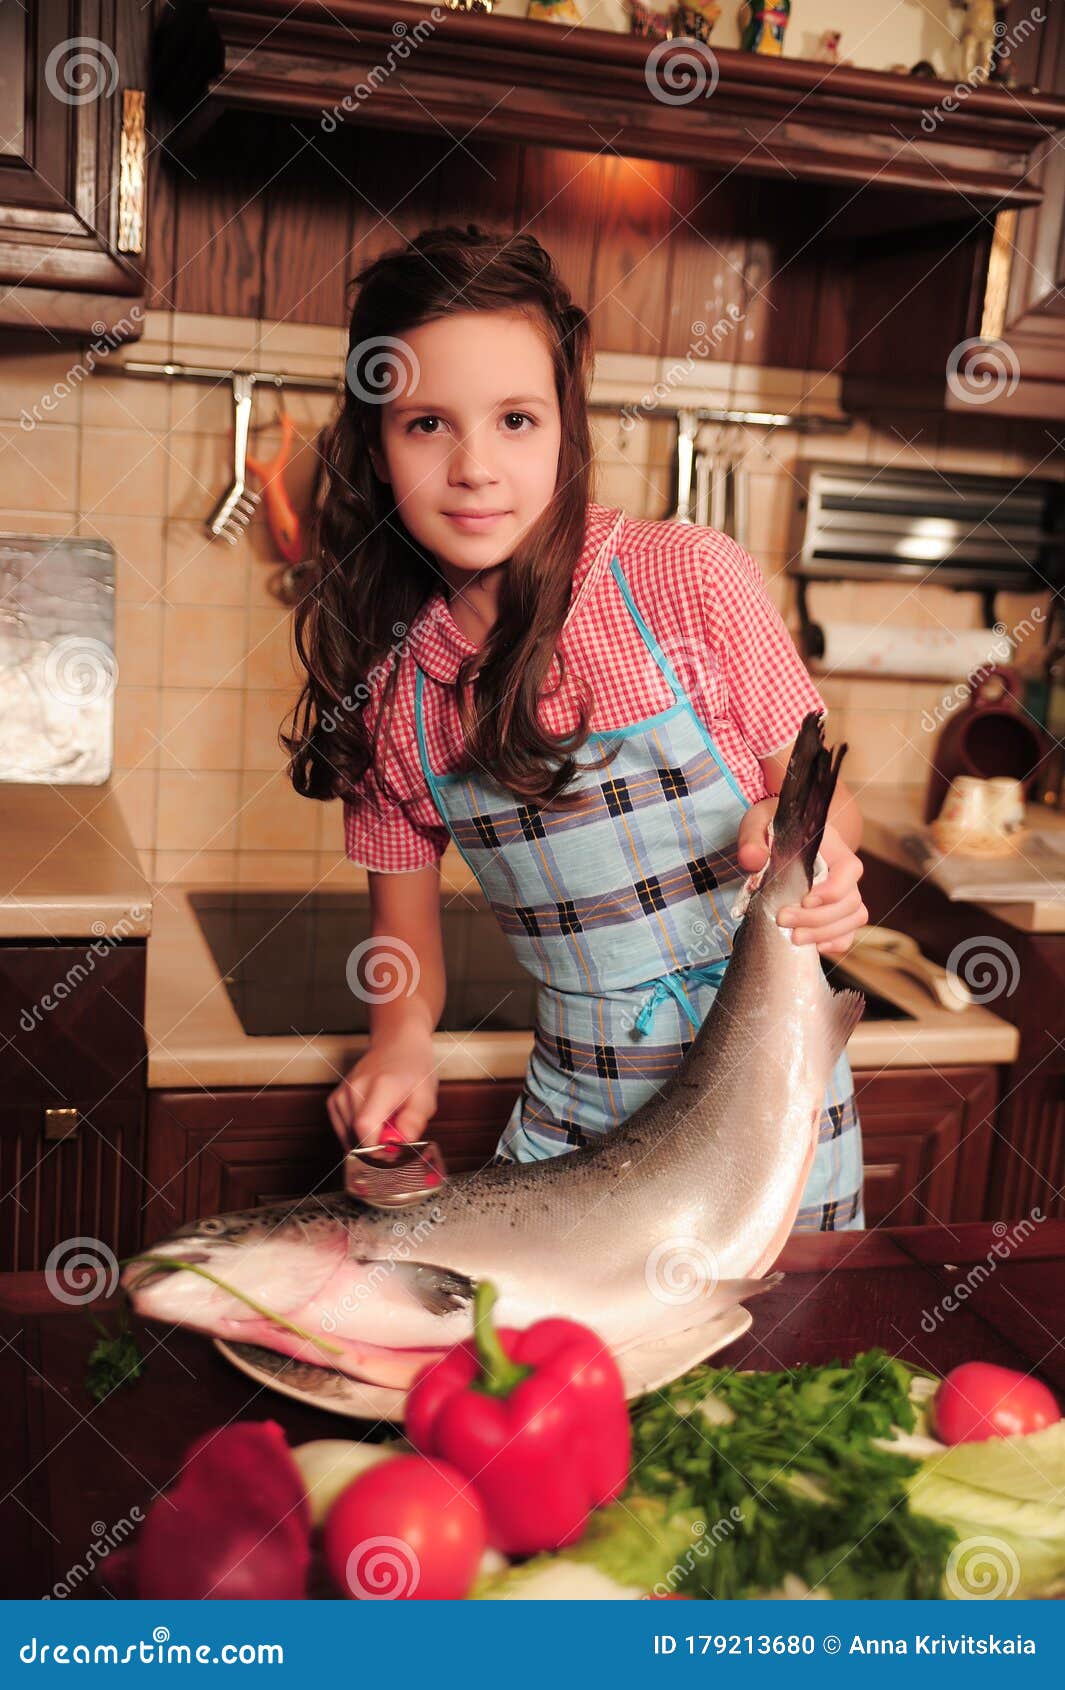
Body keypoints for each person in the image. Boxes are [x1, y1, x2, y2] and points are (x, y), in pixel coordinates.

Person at [285, 223, 869, 1231]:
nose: (474, 467)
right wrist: (399, 1042)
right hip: (576, 1126)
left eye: (515, 419)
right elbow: (404, 956)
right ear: (376, 449)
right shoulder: (392, 695)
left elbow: (825, 804)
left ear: (567, 429)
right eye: (426, 424)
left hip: (771, 1115)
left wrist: (816, 861)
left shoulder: (686, 579)